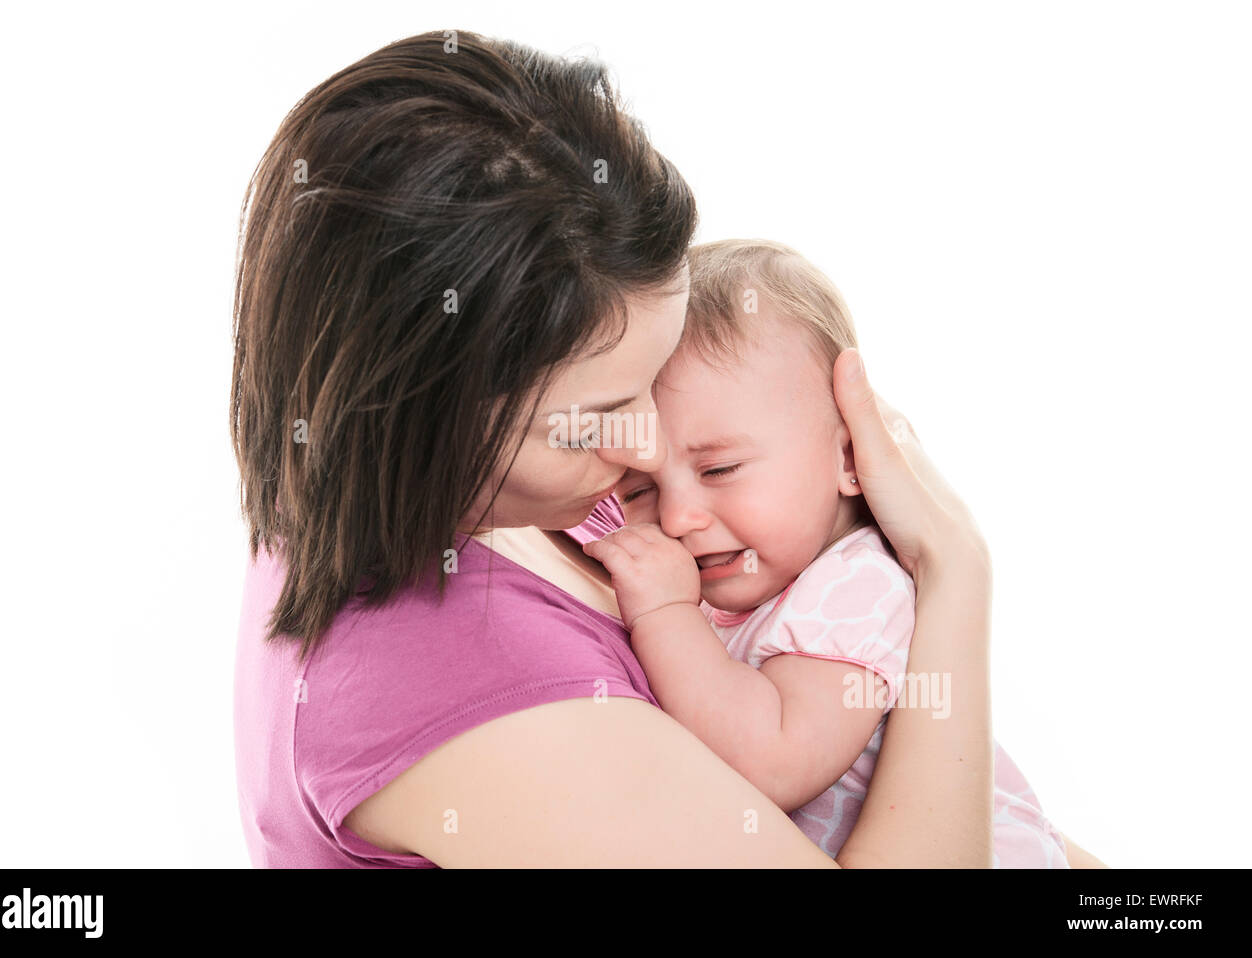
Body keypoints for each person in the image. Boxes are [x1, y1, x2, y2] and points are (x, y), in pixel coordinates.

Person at [230, 29, 1101, 867]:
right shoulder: (466, 693)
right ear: (423, 412)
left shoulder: (501, 493)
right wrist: (955, 571)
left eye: (655, 372)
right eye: (598, 414)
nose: (650, 454)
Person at [591, 238, 1080, 867]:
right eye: (641, 489)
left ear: (849, 457)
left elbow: (771, 759)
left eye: (719, 469)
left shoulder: (853, 586)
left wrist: (665, 615)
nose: (679, 517)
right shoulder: (740, 588)